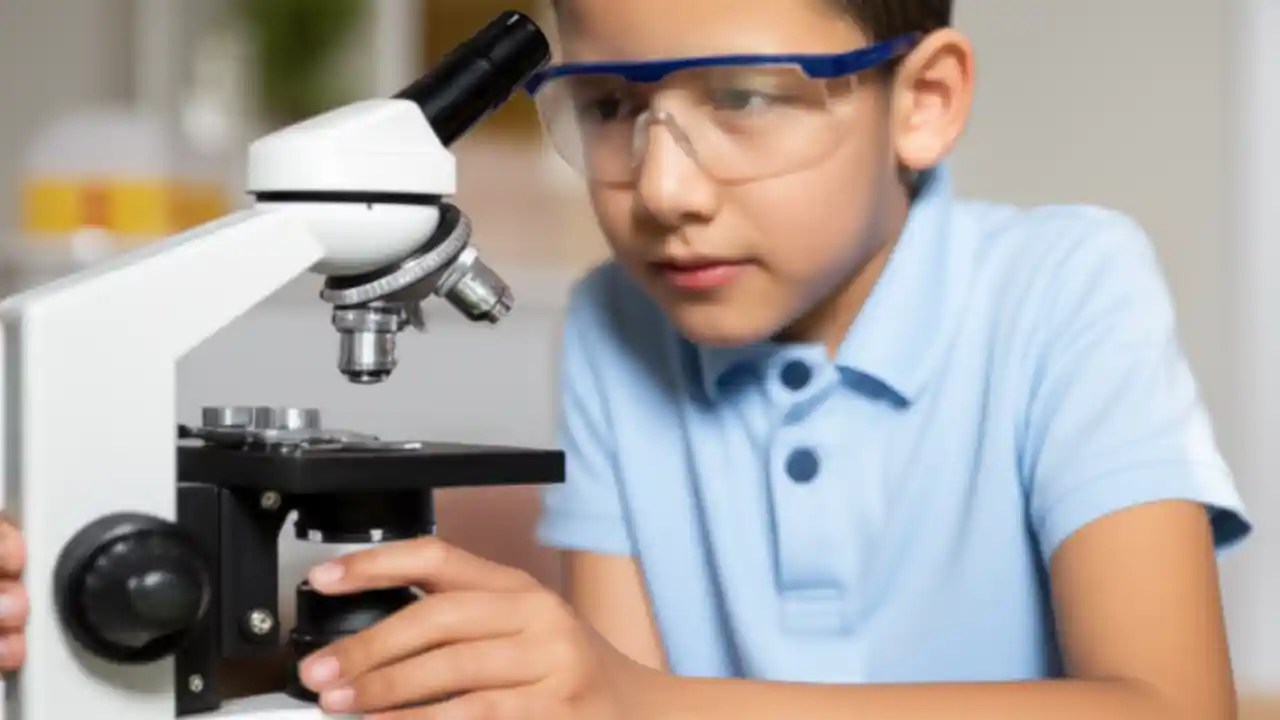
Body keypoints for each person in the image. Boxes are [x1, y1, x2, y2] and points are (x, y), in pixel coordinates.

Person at [0, 0, 1254, 717]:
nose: (659, 190)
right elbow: (593, 697)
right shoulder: (617, 322)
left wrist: (631, 699)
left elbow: (1169, 711)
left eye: (745, 101)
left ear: (919, 99)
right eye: (606, 108)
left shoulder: (1064, 284)